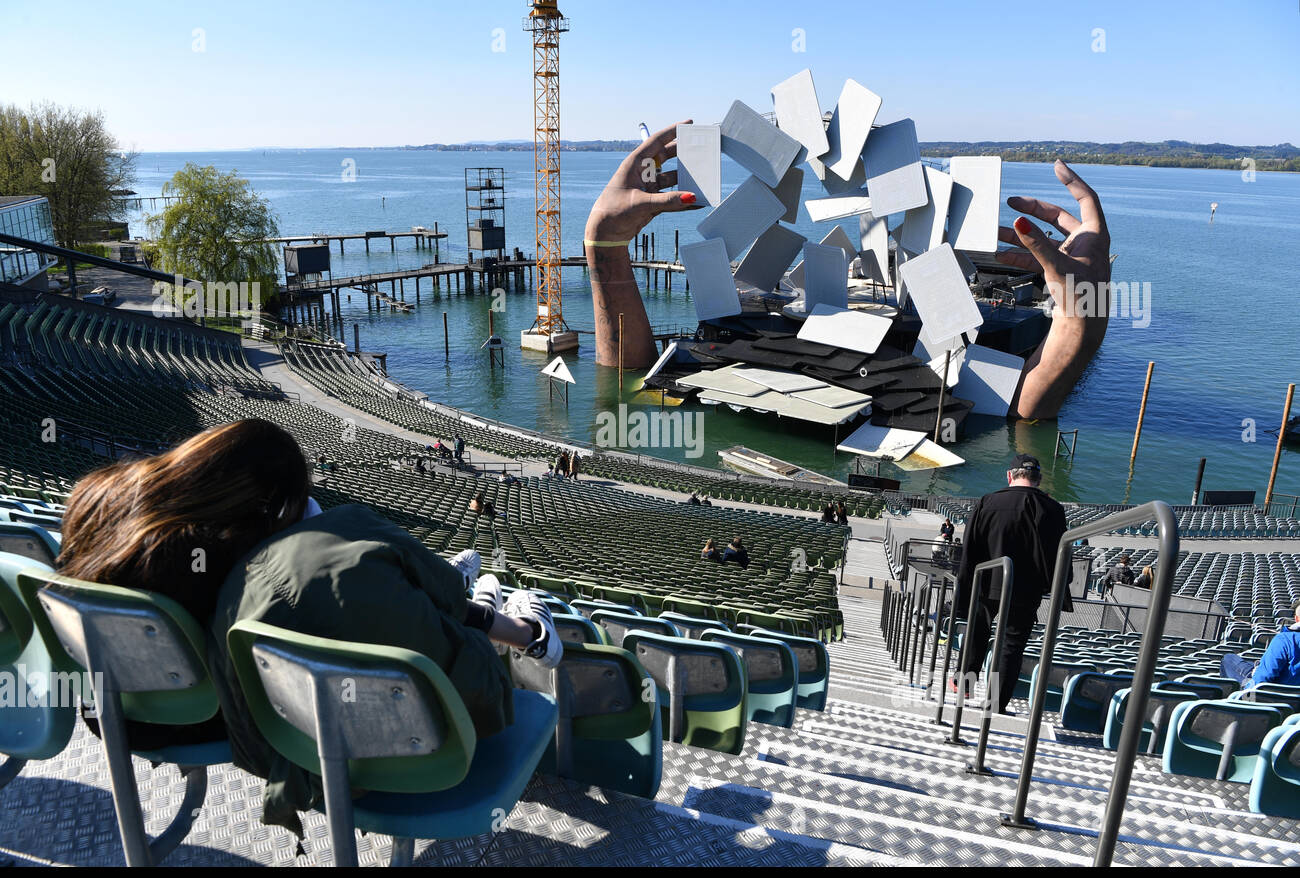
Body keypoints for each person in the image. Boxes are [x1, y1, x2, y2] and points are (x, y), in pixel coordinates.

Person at [56, 421, 561, 837]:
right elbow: (291, 602)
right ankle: (489, 609)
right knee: (348, 594)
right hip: (206, 717)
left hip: (108, 708)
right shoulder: (204, 559)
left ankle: (466, 597)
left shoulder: (97, 498)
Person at [586, 126, 1111, 419]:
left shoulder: (709, 361)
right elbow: (1023, 413)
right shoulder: (945, 392)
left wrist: (604, 249)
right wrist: (1078, 322)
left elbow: (627, 380)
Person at [953, 454, 1069, 714]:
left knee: (976, 632)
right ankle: (995, 703)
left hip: (986, 581)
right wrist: (1058, 586)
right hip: (1026, 589)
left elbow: (970, 548)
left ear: (1010, 475)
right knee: (1011, 646)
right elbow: (1059, 555)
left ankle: (963, 685)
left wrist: (964, 584)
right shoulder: (1053, 509)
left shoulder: (988, 502)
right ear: (1038, 479)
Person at [1221, 600, 1300, 690]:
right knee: (1250, 665)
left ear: (1296, 619)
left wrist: (1246, 690)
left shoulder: (1285, 639)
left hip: (1273, 695)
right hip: (1293, 695)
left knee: (1228, 659)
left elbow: (1261, 680)